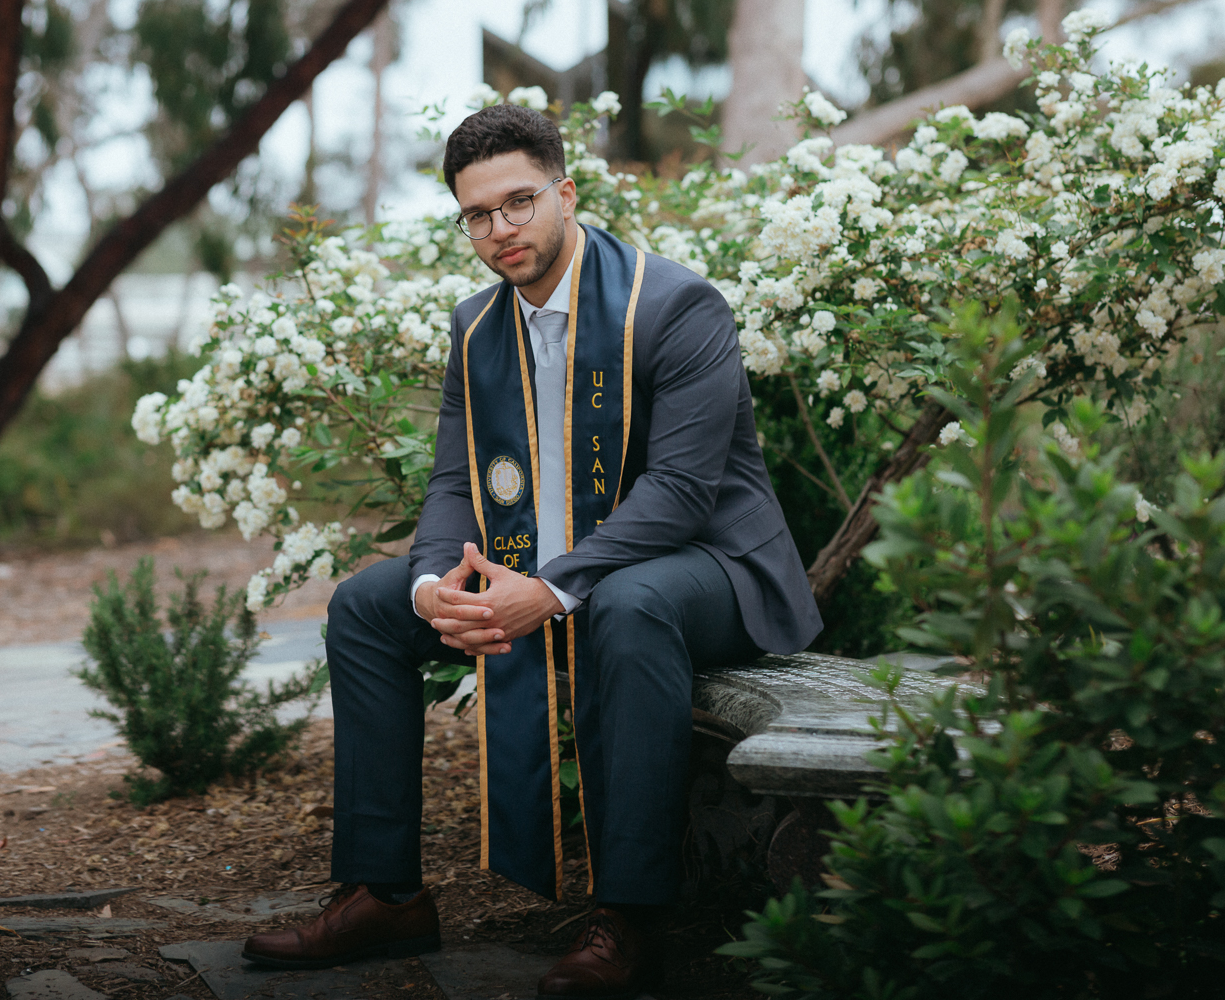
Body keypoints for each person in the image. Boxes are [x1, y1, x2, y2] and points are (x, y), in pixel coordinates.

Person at [243, 103, 821, 999]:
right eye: (477, 214)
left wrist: (548, 591)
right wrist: (436, 582)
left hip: (711, 570)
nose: (500, 230)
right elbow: (453, 484)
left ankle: (628, 917)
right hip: (546, 561)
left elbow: (681, 493)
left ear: (566, 192)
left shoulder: (674, 305)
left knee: (628, 607)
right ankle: (385, 893)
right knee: (367, 606)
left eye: (518, 203)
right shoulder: (478, 328)